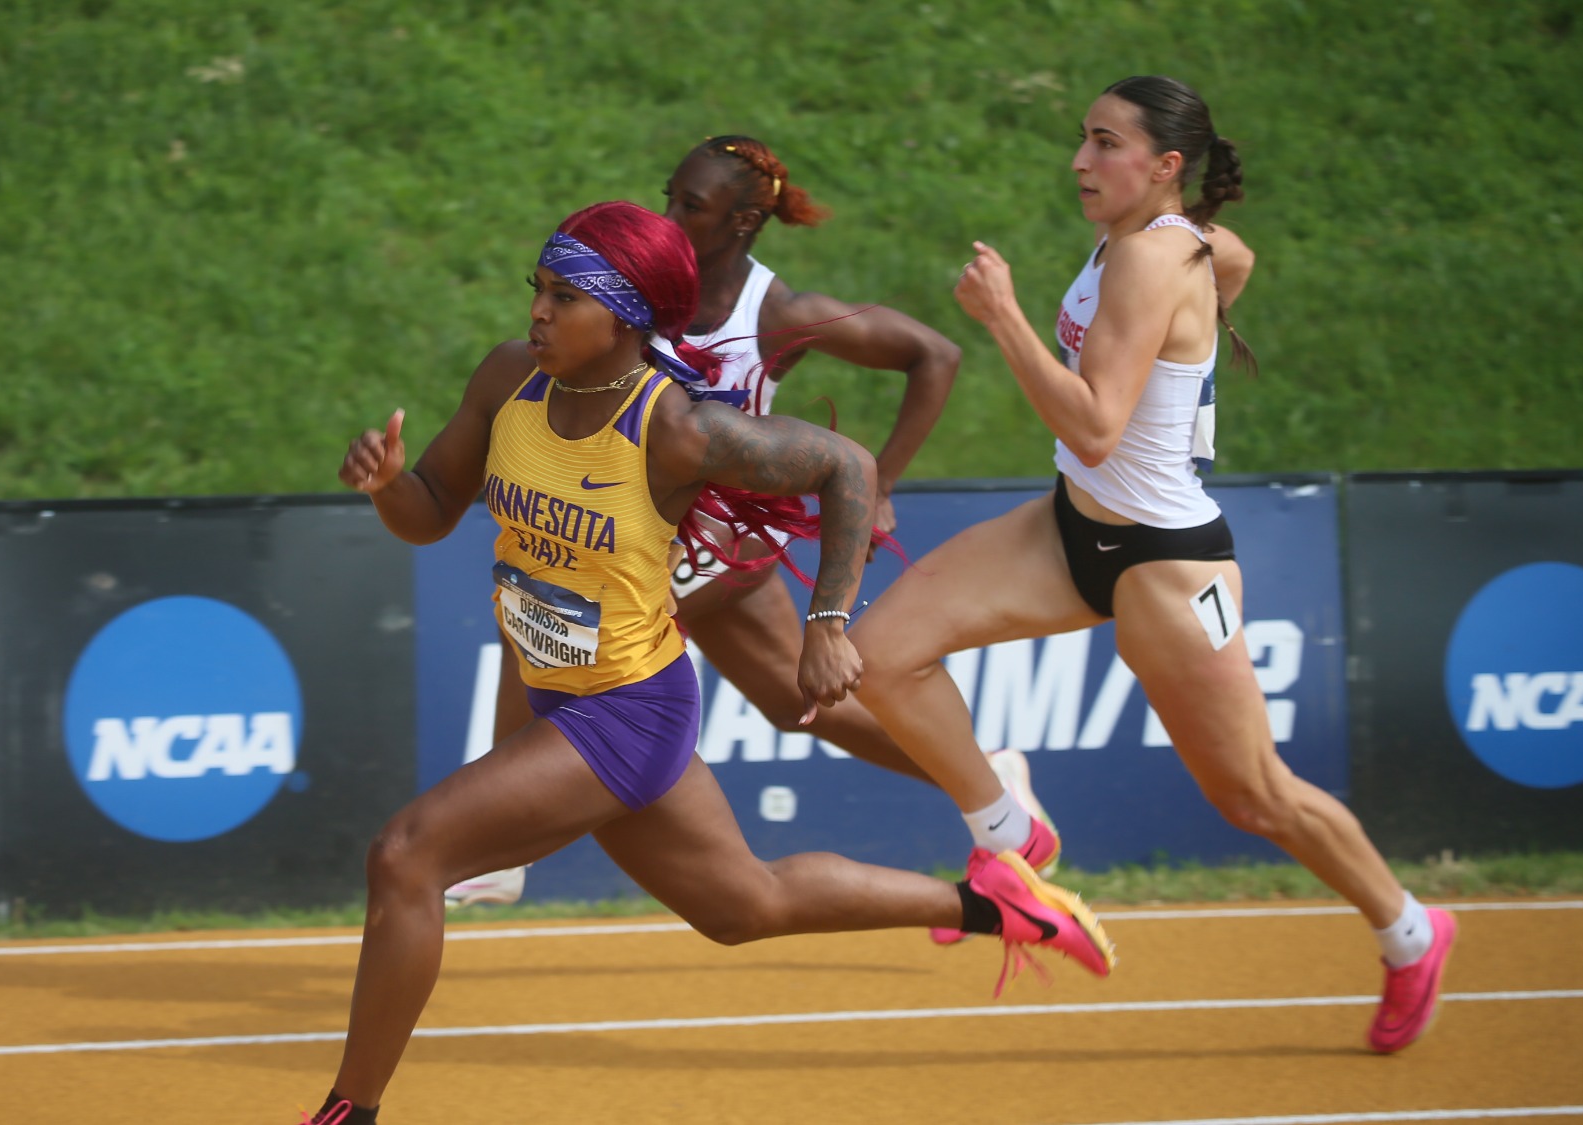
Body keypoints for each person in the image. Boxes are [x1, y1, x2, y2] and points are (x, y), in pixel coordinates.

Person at [303, 201, 1115, 1125]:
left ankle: (346, 1114)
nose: (536, 311)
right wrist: (384, 486)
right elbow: (430, 509)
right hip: (567, 697)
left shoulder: (676, 429)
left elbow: (845, 466)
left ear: (622, 315)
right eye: (536, 288)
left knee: (407, 856)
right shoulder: (507, 380)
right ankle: (1000, 907)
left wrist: (828, 623)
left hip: (624, 717)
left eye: (561, 296)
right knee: (745, 903)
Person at [848, 76, 1455, 1054]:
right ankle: (1011, 839)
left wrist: (1000, 315)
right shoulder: (1163, 243)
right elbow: (1231, 259)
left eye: (1103, 143)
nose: (1080, 161)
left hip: (1167, 565)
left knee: (1254, 794)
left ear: (1164, 166)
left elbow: (1092, 428)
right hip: (1067, 532)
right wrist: (1194, 314)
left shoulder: (1150, 256)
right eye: (1080, 140)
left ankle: (1411, 933)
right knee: (878, 656)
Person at [446, 136, 1061, 912]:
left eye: (690, 207)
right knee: (791, 704)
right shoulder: (633, 290)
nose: (668, 216)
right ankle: (989, 782)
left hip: (715, 536)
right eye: (667, 195)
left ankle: (501, 853)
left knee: (543, 610)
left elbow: (932, 355)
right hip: (646, 524)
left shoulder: (775, 313)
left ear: (741, 223)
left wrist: (883, 486)